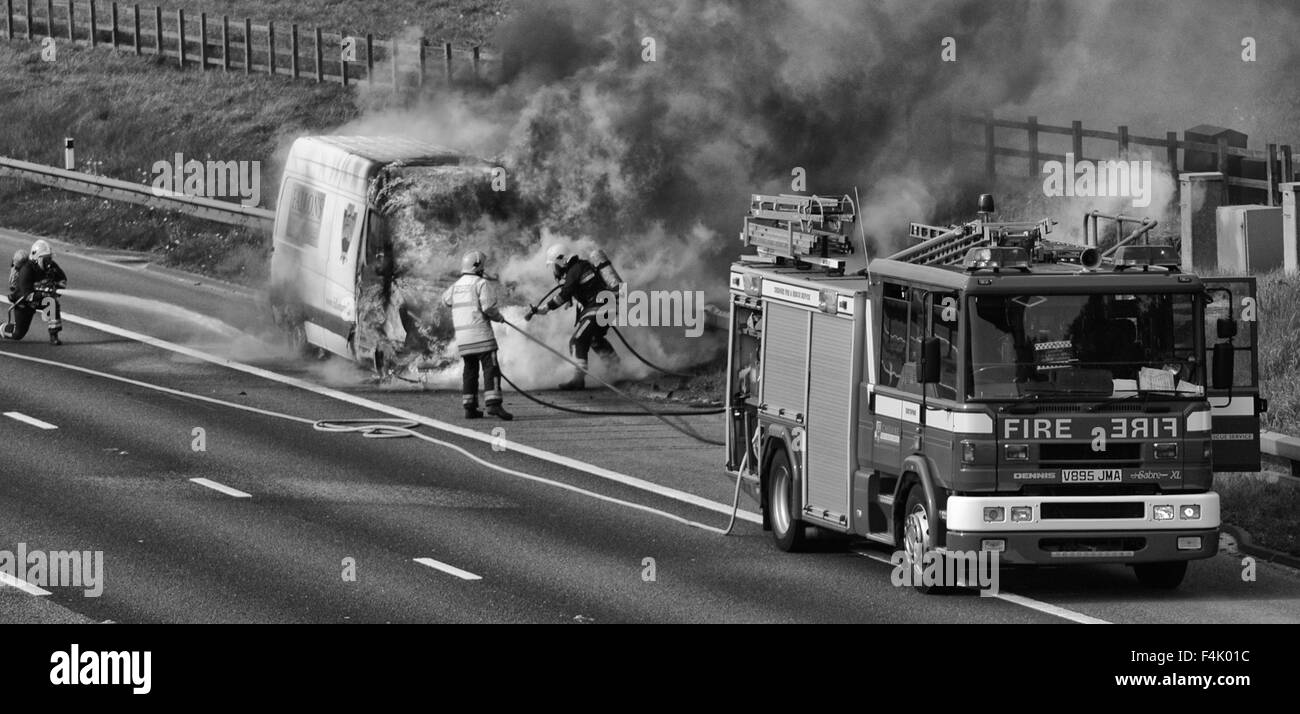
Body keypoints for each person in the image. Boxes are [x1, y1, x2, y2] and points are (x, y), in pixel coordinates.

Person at [531, 244, 618, 390]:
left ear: (561, 260)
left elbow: (563, 294)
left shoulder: (574, 270)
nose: (555, 270)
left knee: (577, 341)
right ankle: (616, 368)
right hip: (607, 307)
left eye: (554, 265)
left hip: (598, 309)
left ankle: (578, 379)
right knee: (594, 339)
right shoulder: (581, 267)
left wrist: (545, 308)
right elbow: (580, 288)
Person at [441, 250, 512, 421]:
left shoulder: (456, 286)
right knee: (491, 368)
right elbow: (488, 308)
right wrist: (499, 317)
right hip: (481, 335)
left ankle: (470, 407)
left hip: (463, 339)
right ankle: (494, 404)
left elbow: (445, 300)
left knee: (470, 371)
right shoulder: (481, 283)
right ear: (478, 266)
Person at [3, 240, 66, 345]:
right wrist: (43, 293)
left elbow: (63, 280)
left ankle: (54, 336)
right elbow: (27, 295)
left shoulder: (51, 267)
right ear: (37, 259)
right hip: (23, 302)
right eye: (46, 259)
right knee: (17, 334)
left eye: (50, 258)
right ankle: (1, 328)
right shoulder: (26, 270)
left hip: (39, 299)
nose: (49, 262)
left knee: (52, 303)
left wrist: (56, 288)